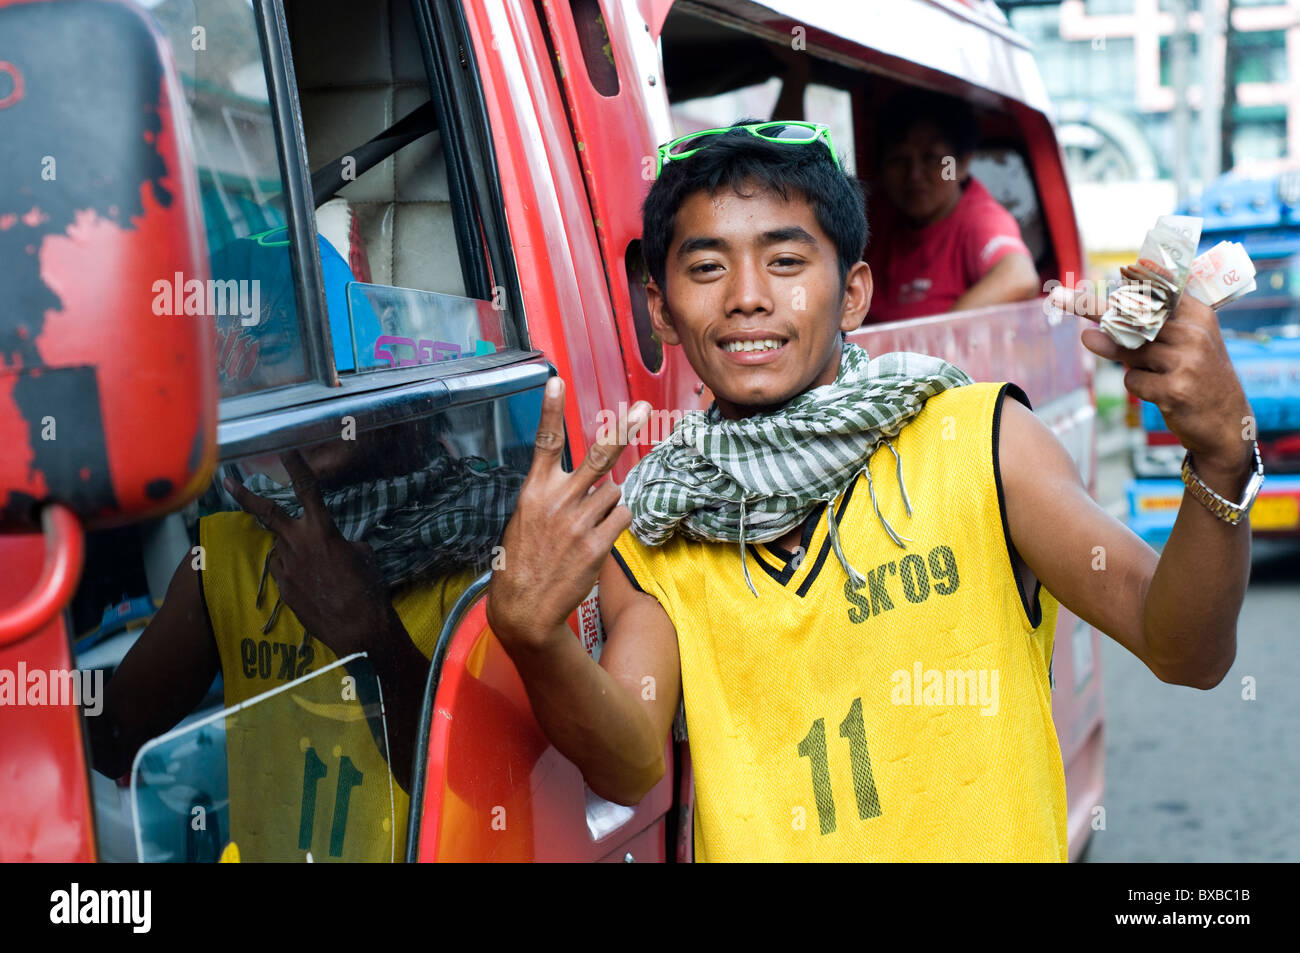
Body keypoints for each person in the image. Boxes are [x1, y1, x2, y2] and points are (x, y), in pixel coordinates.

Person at [485, 120, 1256, 861]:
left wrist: (1222, 458)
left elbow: (1182, 648)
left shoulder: (980, 442)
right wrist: (535, 635)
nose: (747, 296)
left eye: (785, 261)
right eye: (707, 267)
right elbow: (627, 762)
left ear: (853, 293)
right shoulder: (655, 526)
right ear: (661, 310)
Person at [865, 89, 1040, 322]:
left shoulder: (980, 218)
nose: (914, 175)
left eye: (931, 158)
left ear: (964, 164)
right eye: (899, 159)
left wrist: (939, 336)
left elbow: (1020, 277)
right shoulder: (873, 216)